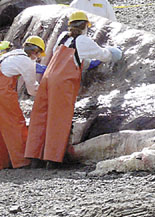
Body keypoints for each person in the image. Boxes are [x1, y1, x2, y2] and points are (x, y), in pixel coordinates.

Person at [25, 11, 122, 166]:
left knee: (41, 116)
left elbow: (73, 57)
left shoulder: (63, 36)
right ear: (85, 26)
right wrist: (113, 52)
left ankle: (34, 156)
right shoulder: (83, 40)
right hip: (62, 82)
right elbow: (102, 55)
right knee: (59, 118)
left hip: (48, 78)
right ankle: (53, 159)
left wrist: (87, 62)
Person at [0, 36, 45, 169]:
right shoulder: (26, 61)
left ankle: (4, 161)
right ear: (35, 52)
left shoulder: (12, 54)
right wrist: (46, 91)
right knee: (15, 124)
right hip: (3, 93)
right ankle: (22, 161)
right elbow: (32, 89)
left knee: (2, 127)